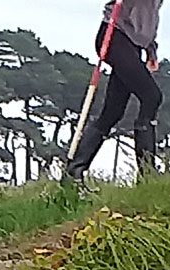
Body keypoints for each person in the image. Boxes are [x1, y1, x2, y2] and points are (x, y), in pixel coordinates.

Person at [65, 0, 163, 179]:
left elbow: (148, 18)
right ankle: (147, 174)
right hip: (115, 35)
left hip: (132, 44)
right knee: (151, 96)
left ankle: (74, 173)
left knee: (113, 112)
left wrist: (150, 49)